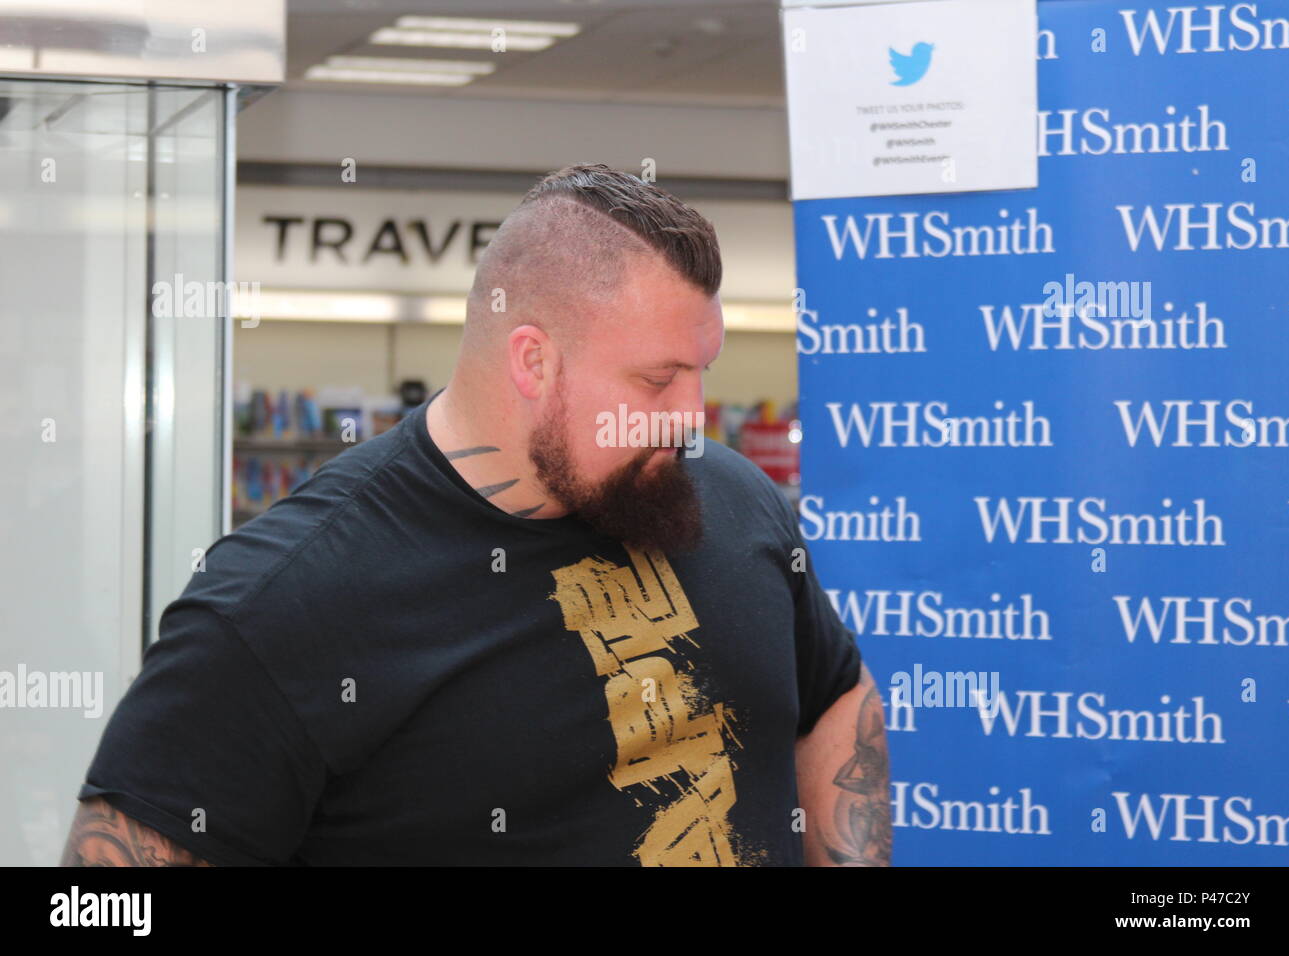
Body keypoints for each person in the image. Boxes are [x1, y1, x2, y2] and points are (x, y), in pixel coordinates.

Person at [61, 163, 891, 867]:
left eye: (703, 372)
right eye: (656, 380)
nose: (691, 416)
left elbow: (831, 699)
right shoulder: (288, 600)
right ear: (532, 358)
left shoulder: (735, 502)